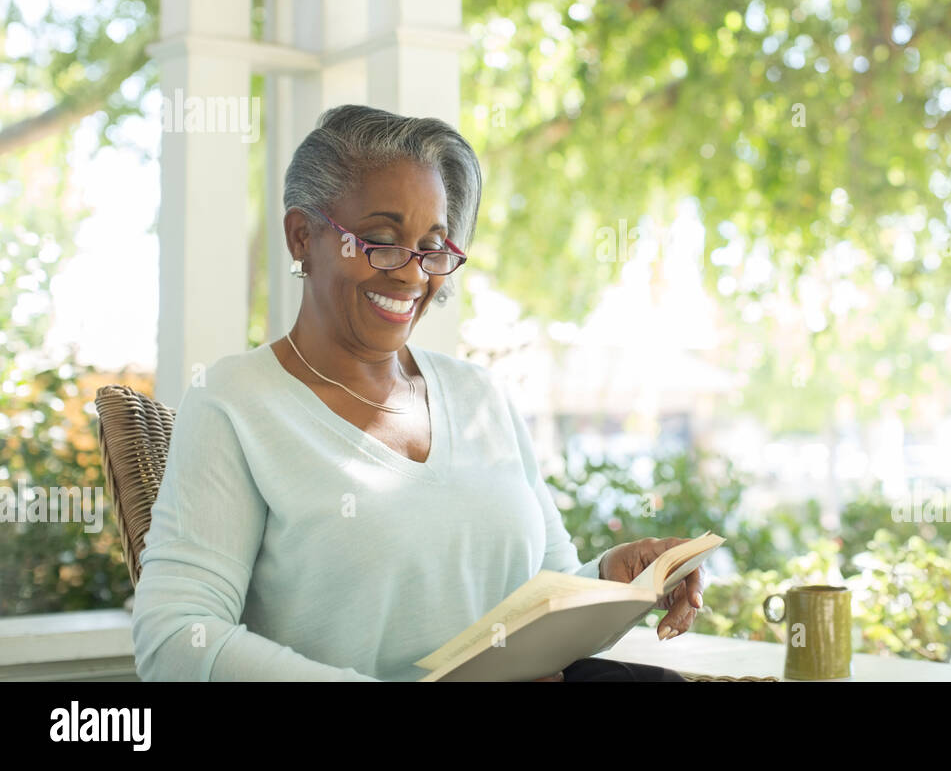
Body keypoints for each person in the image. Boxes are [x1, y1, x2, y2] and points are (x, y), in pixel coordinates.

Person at [131, 105, 702, 681]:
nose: (412, 275)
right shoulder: (234, 403)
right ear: (302, 236)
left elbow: (543, 596)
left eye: (433, 246)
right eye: (381, 241)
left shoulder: (479, 397)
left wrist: (615, 576)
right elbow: (177, 638)